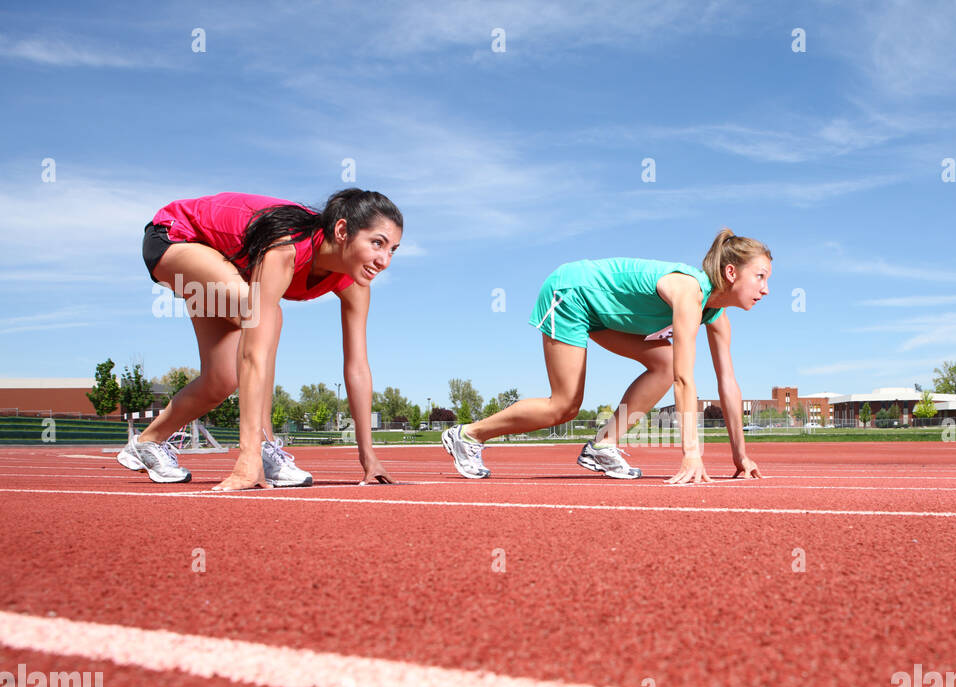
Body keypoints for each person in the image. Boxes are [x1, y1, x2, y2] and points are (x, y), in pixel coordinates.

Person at [121, 190, 401, 491]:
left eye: (393, 250)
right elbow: (255, 351)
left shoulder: (355, 281)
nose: (383, 261)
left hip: (224, 260)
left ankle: (147, 443)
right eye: (377, 243)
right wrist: (248, 459)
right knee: (263, 317)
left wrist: (368, 457)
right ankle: (262, 451)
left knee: (221, 379)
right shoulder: (286, 248)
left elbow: (357, 366)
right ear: (342, 231)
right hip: (176, 237)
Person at [441, 230, 770, 484]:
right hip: (571, 293)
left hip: (605, 315)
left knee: (665, 363)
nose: (765, 288)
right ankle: (468, 435)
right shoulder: (689, 292)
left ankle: (602, 446)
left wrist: (740, 457)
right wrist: (691, 455)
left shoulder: (716, 316)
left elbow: (728, 384)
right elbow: (686, 379)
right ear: (731, 272)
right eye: (760, 276)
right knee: (564, 405)